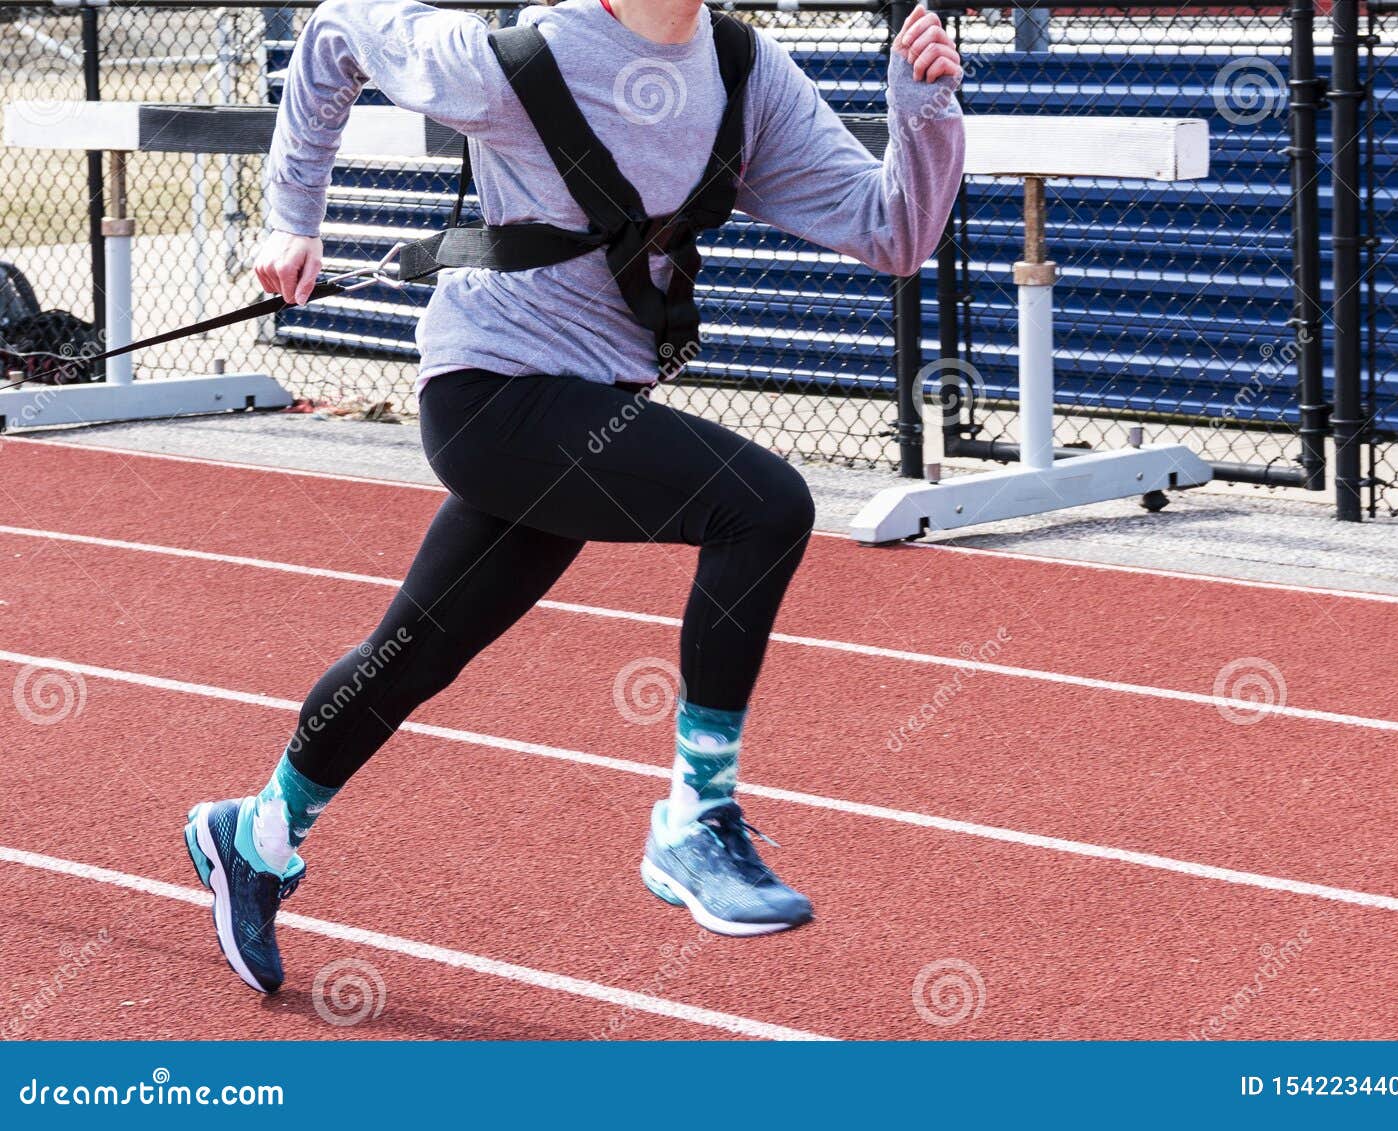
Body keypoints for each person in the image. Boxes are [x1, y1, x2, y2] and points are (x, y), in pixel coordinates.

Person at [183, 0, 964, 994]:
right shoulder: (510, 60)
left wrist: (921, 103)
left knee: (410, 654)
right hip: (489, 399)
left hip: (585, 412)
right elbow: (336, 29)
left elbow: (892, 232)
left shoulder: (741, 67)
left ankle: (251, 834)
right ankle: (695, 817)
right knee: (761, 505)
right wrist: (293, 217)